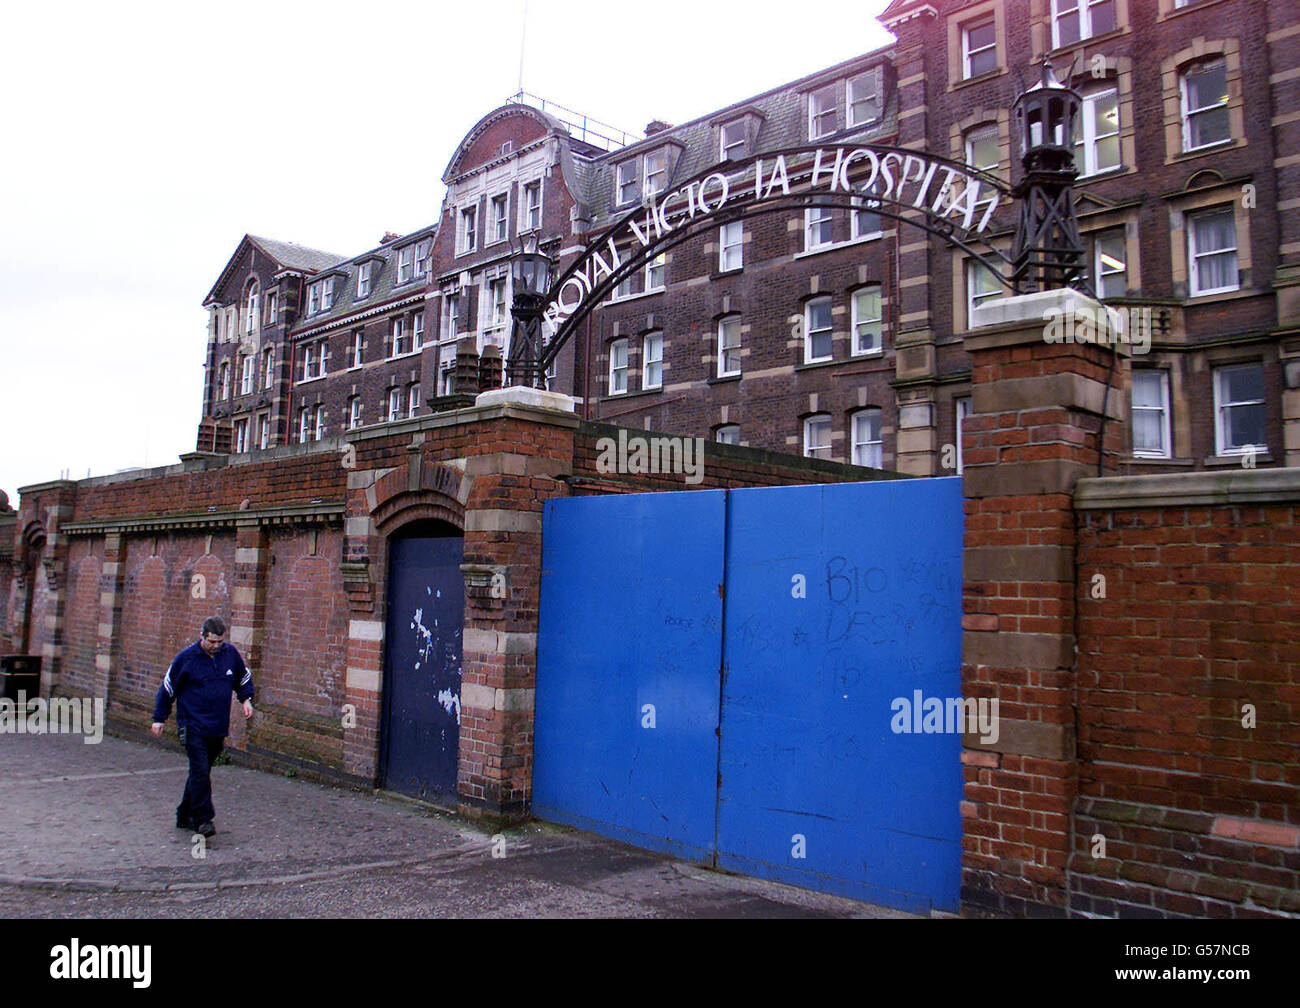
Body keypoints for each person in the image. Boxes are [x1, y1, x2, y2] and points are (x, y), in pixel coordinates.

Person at [151, 616, 254, 836]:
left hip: (217, 726)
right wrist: (159, 718)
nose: (216, 646)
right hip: (192, 725)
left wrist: (246, 700)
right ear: (202, 636)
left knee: (202, 771)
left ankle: (184, 813)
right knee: (199, 770)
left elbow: (243, 678)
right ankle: (203, 819)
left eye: (219, 642)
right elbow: (167, 689)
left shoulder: (229, 655)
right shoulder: (186, 659)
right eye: (212, 642)